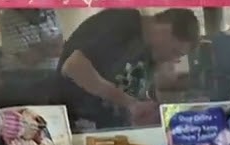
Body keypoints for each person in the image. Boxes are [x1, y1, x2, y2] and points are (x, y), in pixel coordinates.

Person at [57, 8, 200, 130]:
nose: (172, 59)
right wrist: (130, 103)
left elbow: (134, 98)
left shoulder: (150, 54)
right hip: (72, 122)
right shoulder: (122, 23)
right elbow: (73, 66)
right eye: (175, 51)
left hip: (111, 131)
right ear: (164, 30)